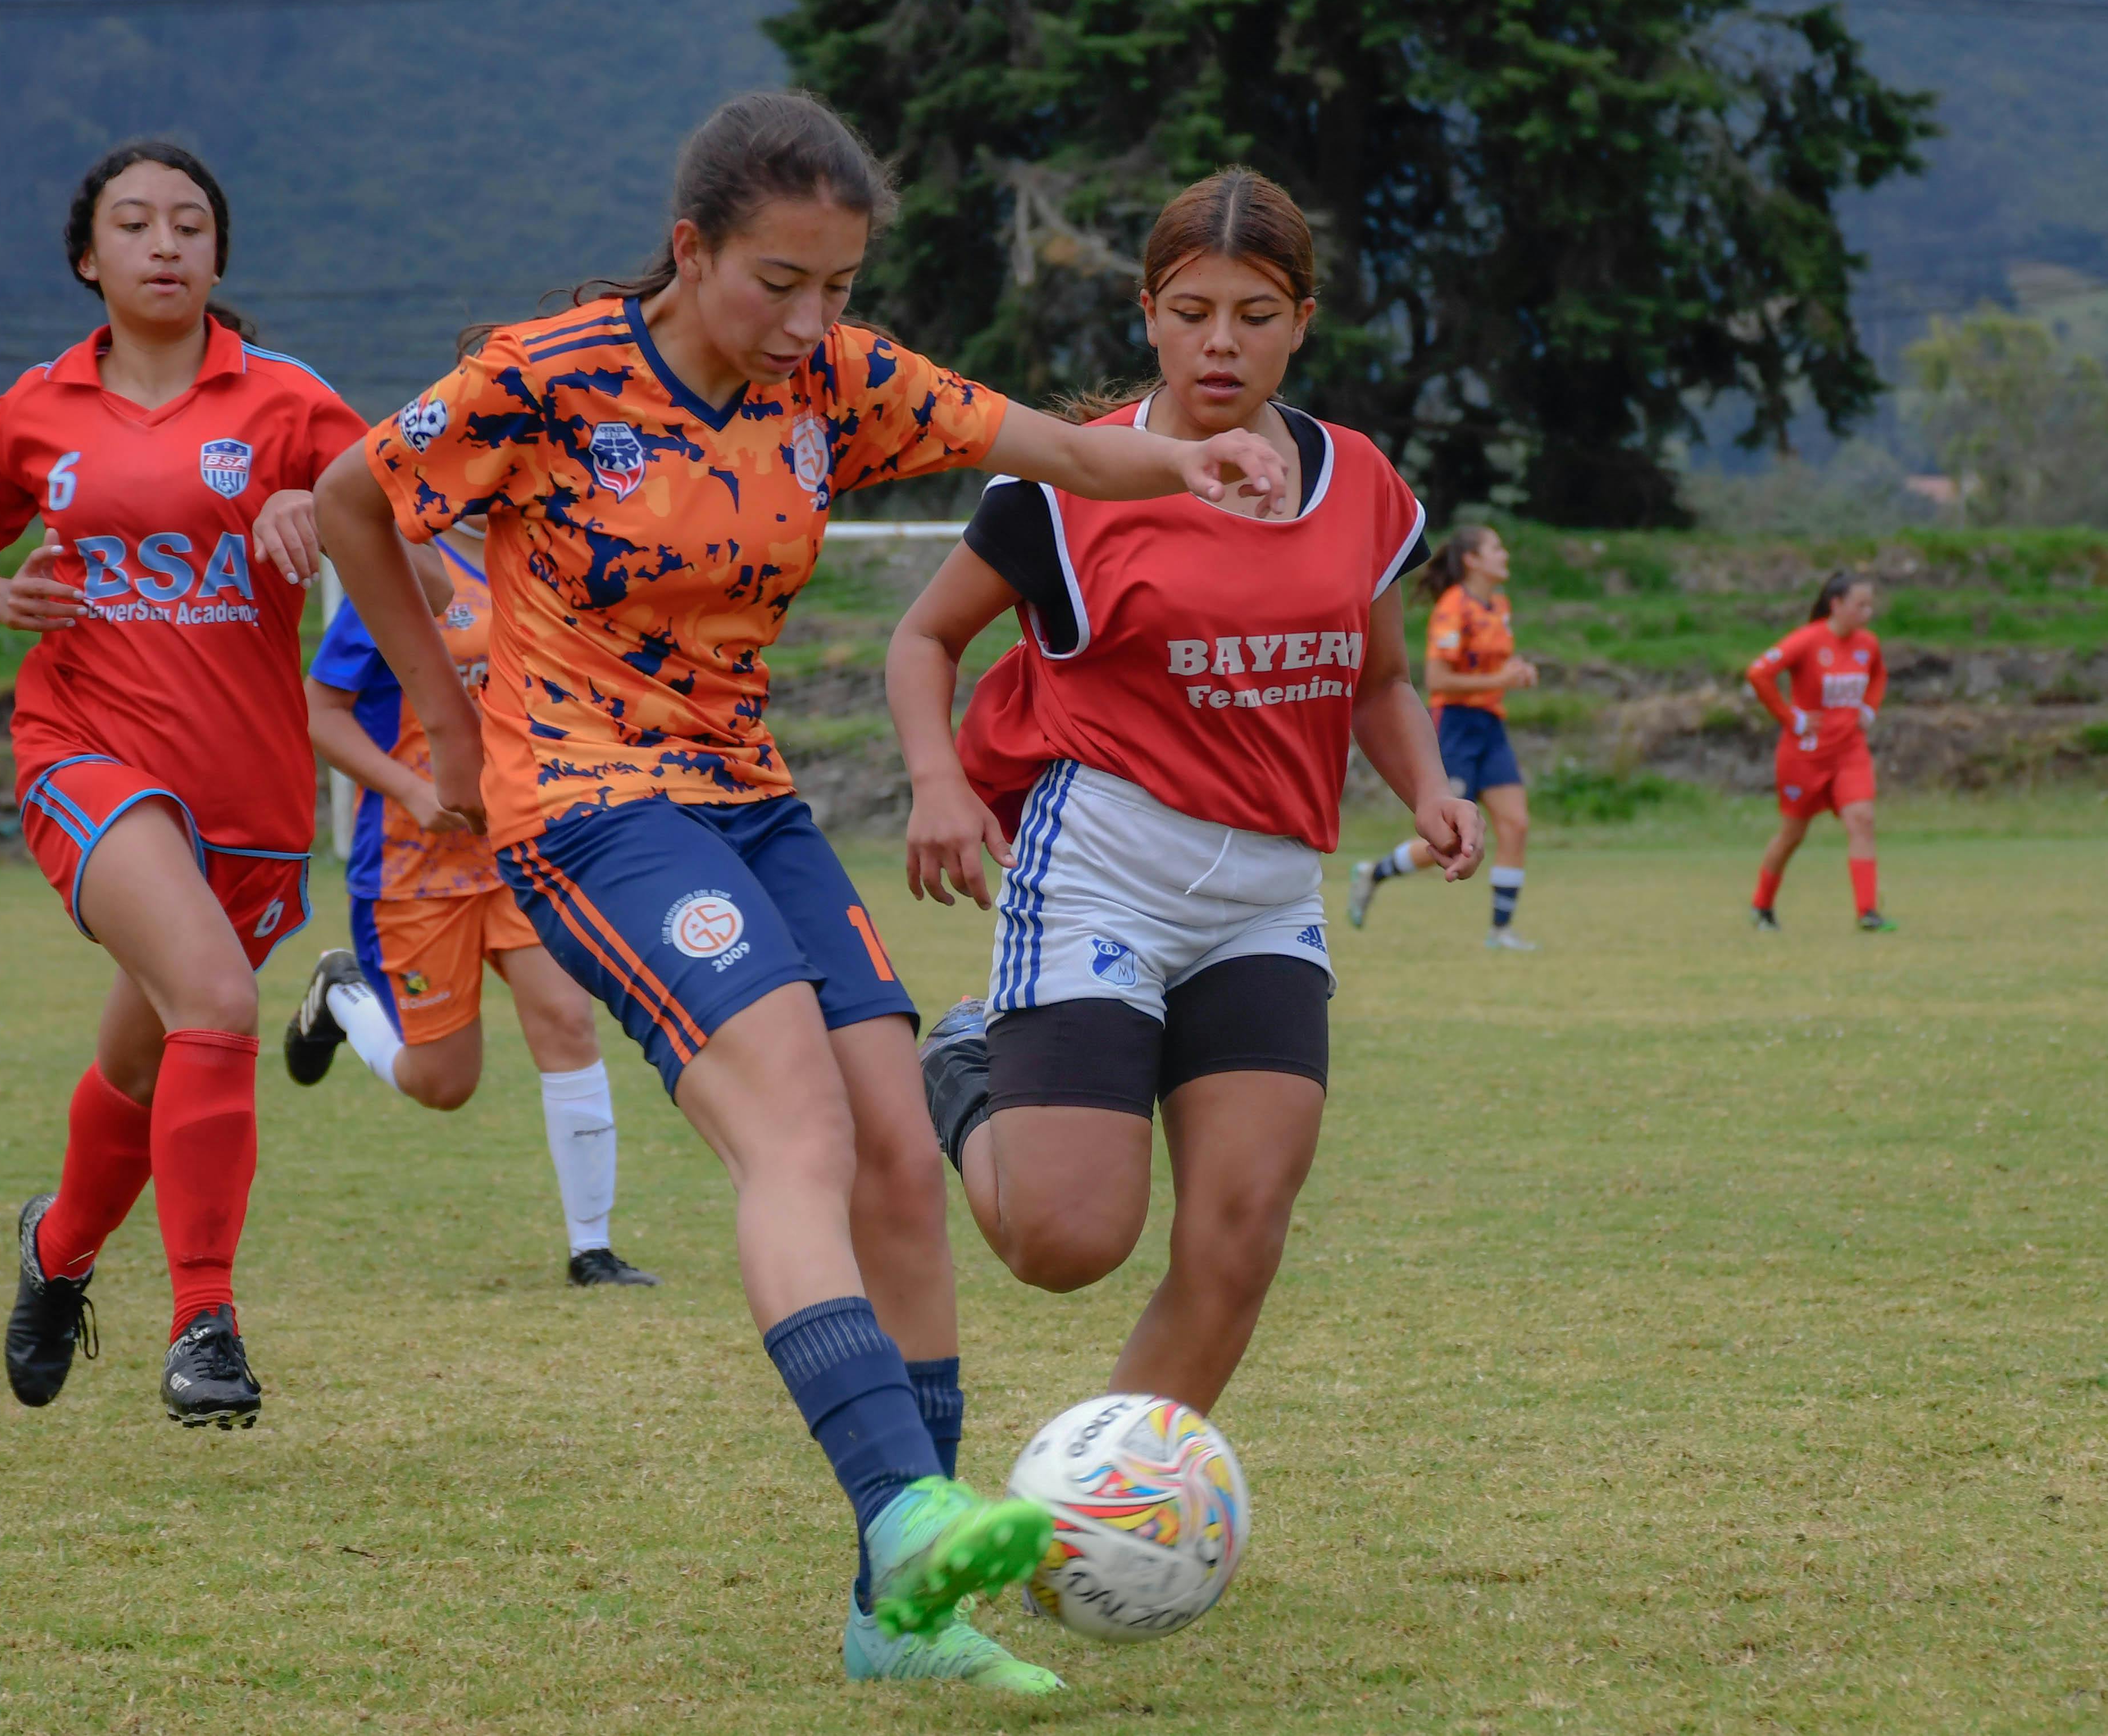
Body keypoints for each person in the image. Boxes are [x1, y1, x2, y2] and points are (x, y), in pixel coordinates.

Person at [312, 91, 1289, 1693]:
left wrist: (1191, 463)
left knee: (901, 1154)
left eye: (837, 285)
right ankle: (905, 1505)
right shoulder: (545, 376)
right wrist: (441, 717)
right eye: (779, 281)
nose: (810, 321)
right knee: (798, 1131)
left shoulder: (834, 376)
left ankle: (891, 1613)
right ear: (691, 252)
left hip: (745, 796)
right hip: (589, 805)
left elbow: (1049, 447)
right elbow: (358, 495)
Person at [887, 168, 1479, 1421]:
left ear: (1302, 320)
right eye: (1195, 311)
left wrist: (1429, 786)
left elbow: (1379, 679)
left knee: (1242, 1230)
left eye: (1257, 314)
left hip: (1267, 892)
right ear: (1148, 312)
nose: (1223, 342)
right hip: (1107, 864)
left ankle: (1114, 1511)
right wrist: (939, 781)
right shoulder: (1072, 481)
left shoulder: (1361, 481)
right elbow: (923, 641)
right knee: (1066, 1243)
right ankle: (961, 1062)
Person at [0, 141, 407, 1429]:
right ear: (90, 258)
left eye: (190, 223)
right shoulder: (34, 410)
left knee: (150, 1058)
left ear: (221, 256)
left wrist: (314, 505)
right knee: (223, 1001)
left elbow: (395, 508)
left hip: (244, 792)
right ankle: (204, 1324)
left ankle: (59, 1248)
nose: (166, 243)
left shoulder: (287, 400)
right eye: (134, 224)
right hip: (87, 753)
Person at [283, 517, 658, 1287]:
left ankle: (593, 1248)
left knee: (567, 1020)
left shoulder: (543, 564)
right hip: (411, 867)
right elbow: (320, 709)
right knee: (444, 1084)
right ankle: (342, 993)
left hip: (518, 851)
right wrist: (413, 790)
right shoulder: (408, 572)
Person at [1345, 524, 1539, 948]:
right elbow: (1437, 678)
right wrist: (1497, 677)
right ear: (1472, 560)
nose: (1504, 554)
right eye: (1496, 547)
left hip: (1489, 725)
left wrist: (1514, 674)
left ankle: (1500, 931)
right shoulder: (1453, 608)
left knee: (1516, 825)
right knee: (1450, 837)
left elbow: (1488, 669)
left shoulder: (1498, 605)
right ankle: (1372, 872)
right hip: (1455, 726)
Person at [1746, 573, 1894, 931]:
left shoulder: (1868, 644)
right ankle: (1762, 905)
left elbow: (1878, 676)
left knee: (1862, 820)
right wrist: (1790, 717)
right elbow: (1759, 673)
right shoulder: (1808, 641)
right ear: (1837, 605)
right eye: (1861, 605)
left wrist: (1869, 710)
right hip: (1806, 756)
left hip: (1849, 752)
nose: (1867, 612)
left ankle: (1867, 913)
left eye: (1870, 605)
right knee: (1793, 834)